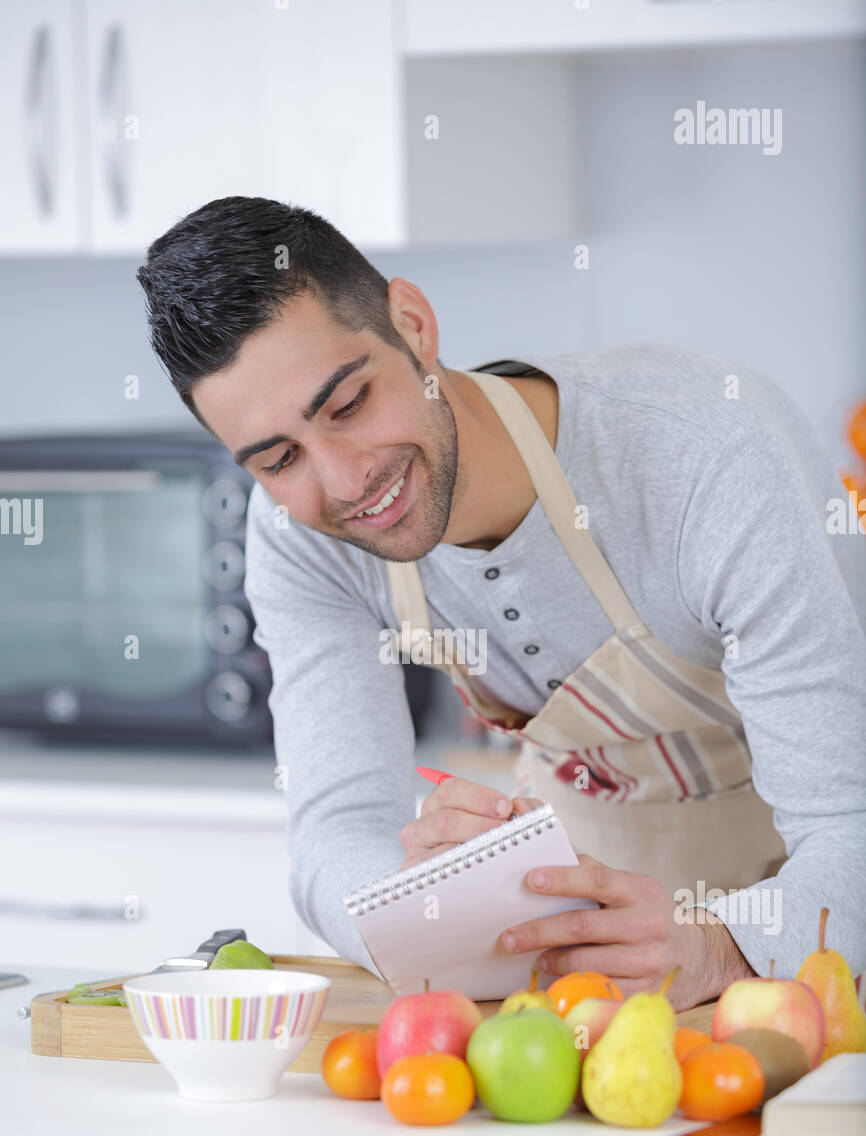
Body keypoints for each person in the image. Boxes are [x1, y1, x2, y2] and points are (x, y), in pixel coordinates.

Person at [136, 196, 866, 1008]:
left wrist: (724, 947)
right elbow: (333, 837)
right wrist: (418, 895)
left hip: (817, 955)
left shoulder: (706, 458)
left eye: (347, 405)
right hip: (579, 992)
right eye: (278, 460)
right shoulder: (303, 541)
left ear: (412, 324)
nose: (344, 484)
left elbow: (852, 829)